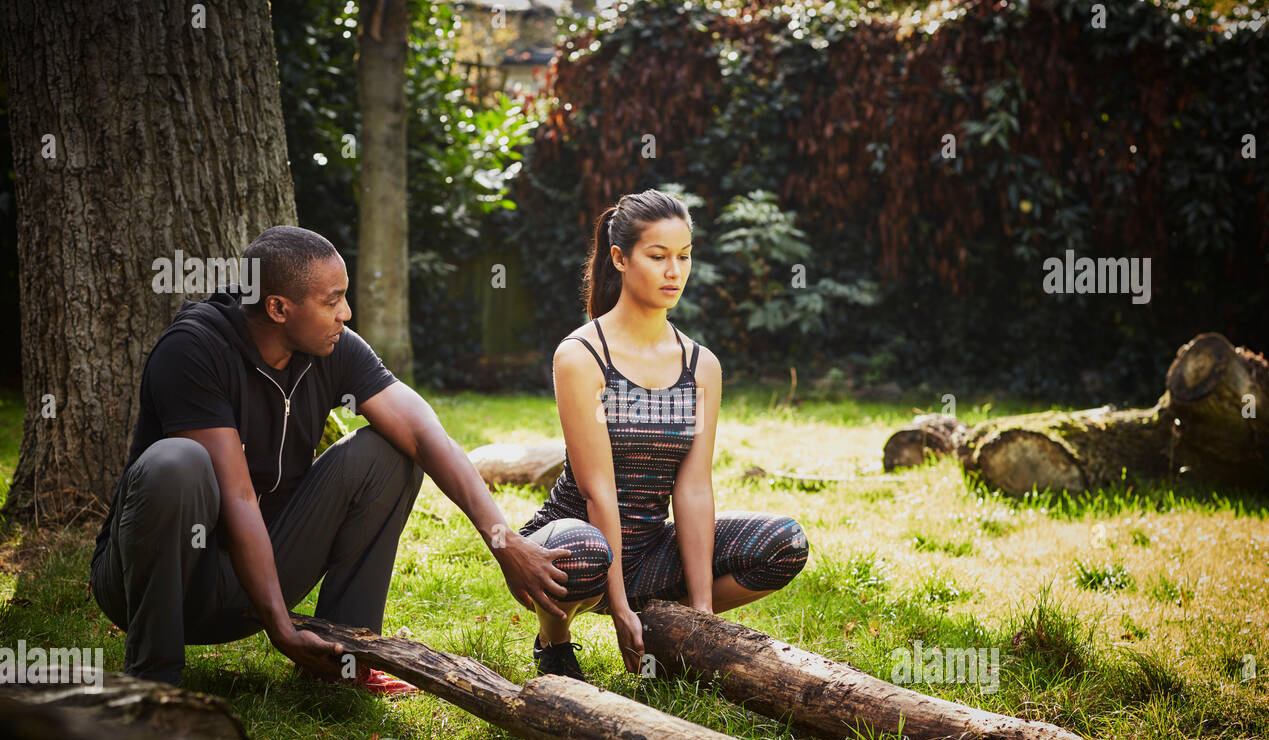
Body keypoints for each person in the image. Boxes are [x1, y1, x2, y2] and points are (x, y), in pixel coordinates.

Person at [88, 226, 571, 695]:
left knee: (389, 452)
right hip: (155, 582)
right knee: (178, 463)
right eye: (332, 299)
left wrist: (504, 541)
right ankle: (153, 680)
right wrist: (281, 629)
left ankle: (343, 660)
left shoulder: (333, 348)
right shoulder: (194, 349)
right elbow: (235, 496)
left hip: (249, 583)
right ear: (278, 308)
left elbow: (425, 433)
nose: (347, 312)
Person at [519, 189, 809, 682]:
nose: (674, 271)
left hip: (651, 551)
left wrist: (700, 616)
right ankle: (555, 637)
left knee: (784, 542)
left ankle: (661, 622)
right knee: (589, 551)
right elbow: (598, 490)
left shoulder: (701, 366)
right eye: (658, 257)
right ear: (620, 258)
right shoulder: (582, 356)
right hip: (570, 543)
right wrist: (615, 613)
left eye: (684, 256)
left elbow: (693, 487)